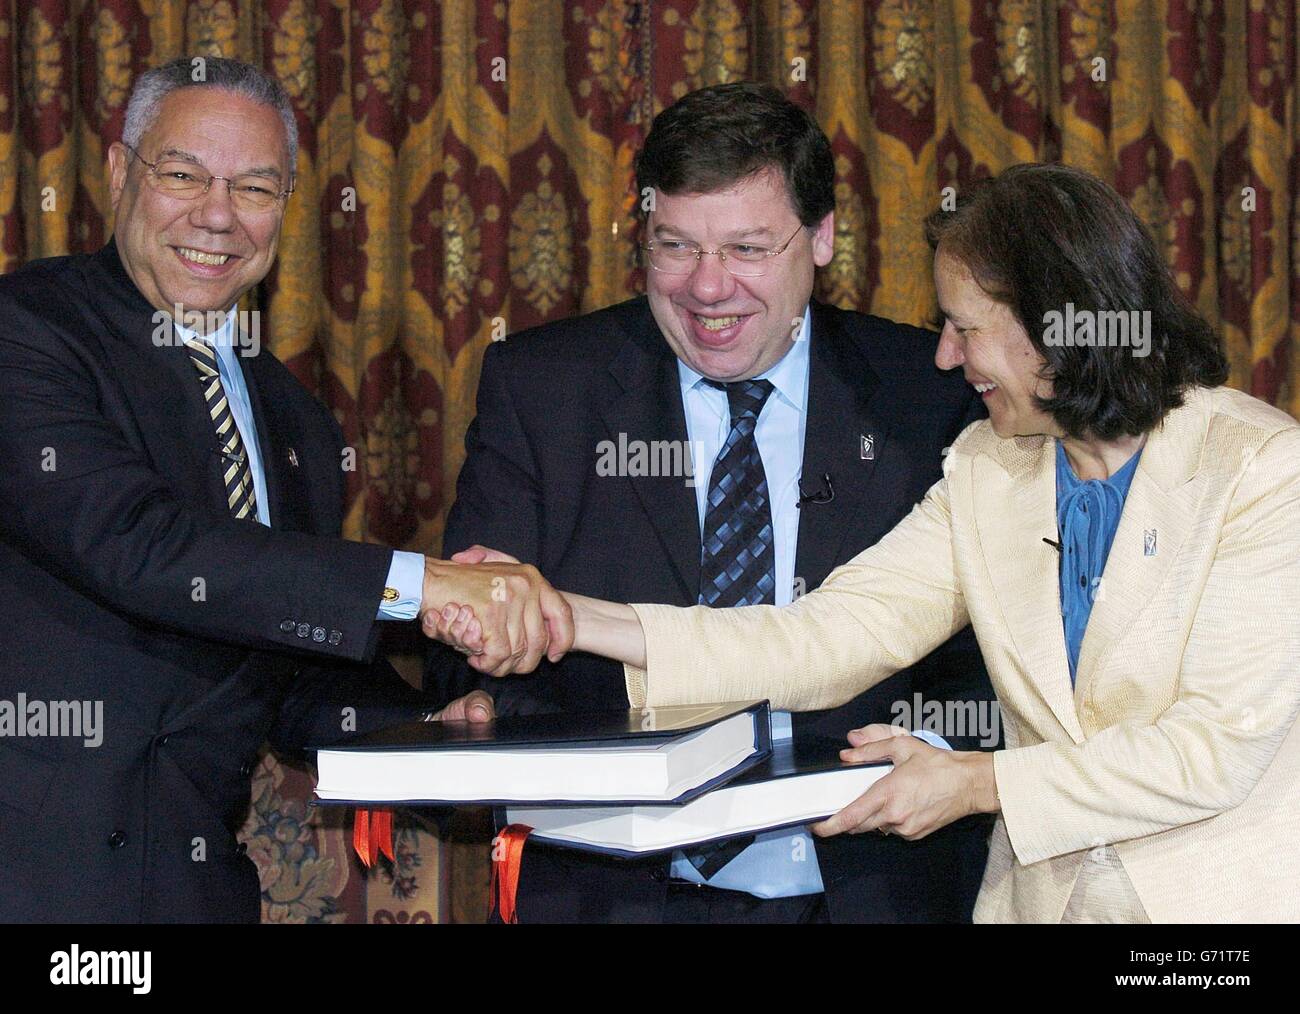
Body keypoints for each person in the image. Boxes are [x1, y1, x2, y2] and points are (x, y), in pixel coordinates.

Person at [432, 162, 1300, 923]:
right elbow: (822, 637)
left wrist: (973, 783)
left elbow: (1208, 752)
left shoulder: (1260, 470)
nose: (946, 358)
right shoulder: (987, 469)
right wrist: (564, 617)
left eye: (967, 326)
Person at [0, 57, 557, 923]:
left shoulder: (298, 428)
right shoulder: (28, 331)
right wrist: (422, 582)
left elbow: (291, 680)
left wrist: (455, 739)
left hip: (192, 894)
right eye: (181, 174)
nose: (216, 215)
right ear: (118, 173)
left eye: (255, 188)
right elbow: (138, 543)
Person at [425, 82, 997, 923]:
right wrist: (478, 682)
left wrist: (948, 760)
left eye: (748, 248)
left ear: (824, 236)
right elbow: (467, 641)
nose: (708, 287)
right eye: (676, 247)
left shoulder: (933, 391)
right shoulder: (546, 390)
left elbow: (1002, 650)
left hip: (875, 887)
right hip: (614, 894)